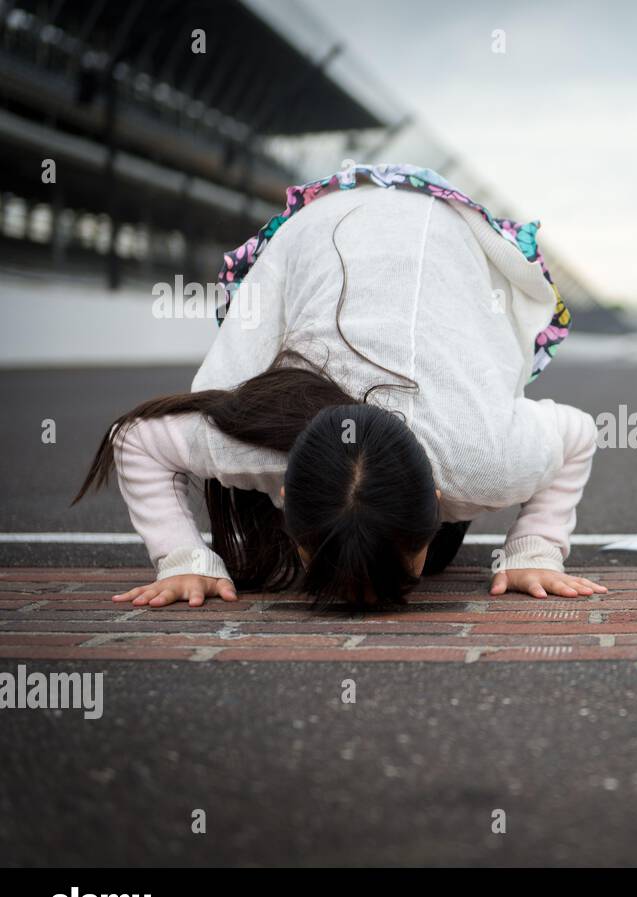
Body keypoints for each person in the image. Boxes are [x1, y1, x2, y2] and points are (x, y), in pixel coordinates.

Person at [75, 163, 605, 608]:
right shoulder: (254, 444)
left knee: (480, 382)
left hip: (441, 234)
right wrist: (182, 559)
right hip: (321, 232)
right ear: (284, 494)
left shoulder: (486, 457)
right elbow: (135, 437)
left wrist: (535, 548)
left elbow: (578, 434)